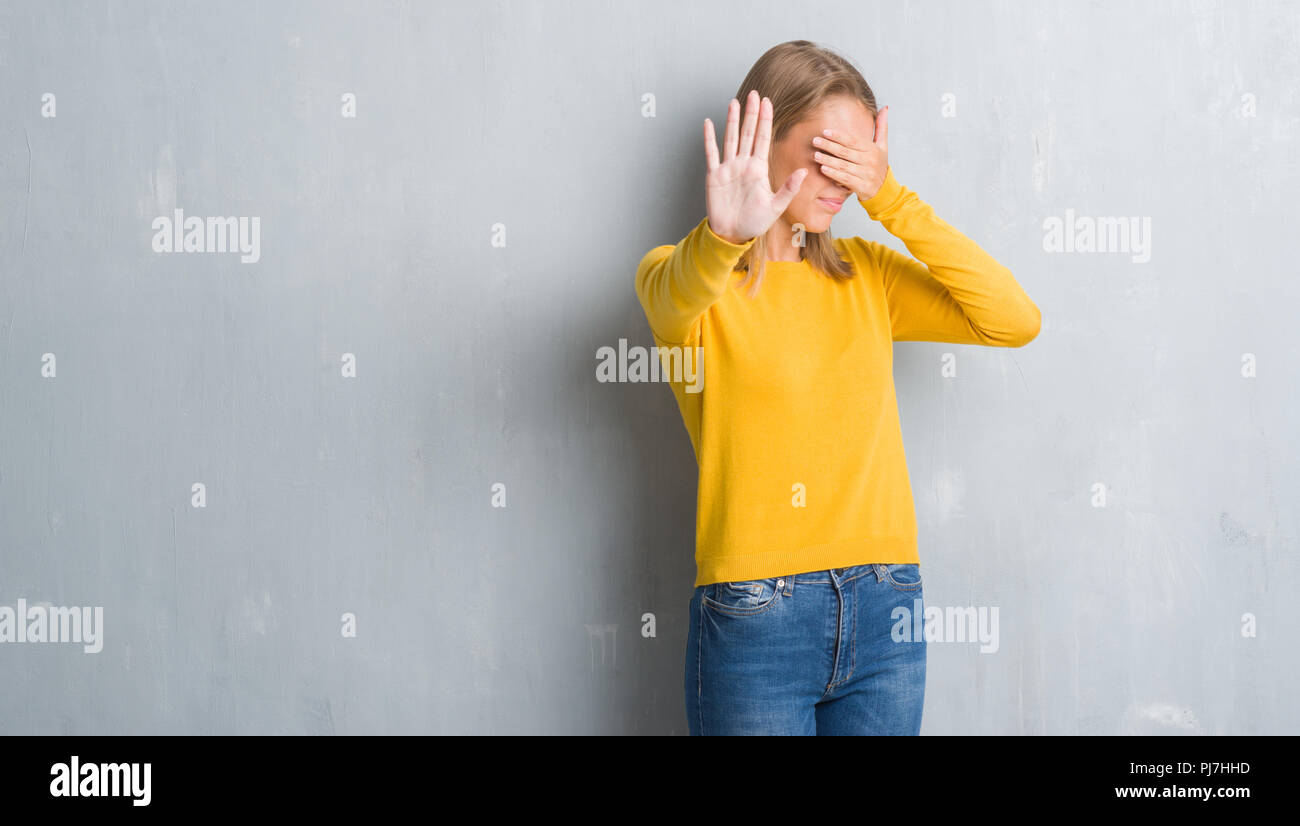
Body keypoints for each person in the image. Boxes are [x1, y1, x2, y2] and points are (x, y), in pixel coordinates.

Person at [634, 41, 1041, 735]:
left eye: (859, 161)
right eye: (826, 152)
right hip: (755, 617)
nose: (844, 179)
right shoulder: (686, 278)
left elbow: (1014, 320)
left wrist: (893, 199)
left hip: (887, 604)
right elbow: (676, 298)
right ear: (763, 141)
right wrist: (724, 239)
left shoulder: (869, 275)